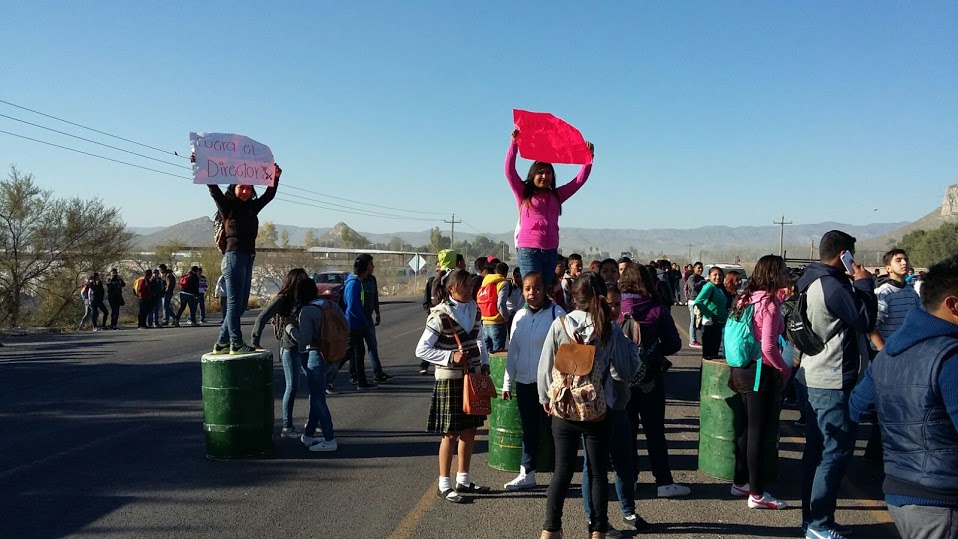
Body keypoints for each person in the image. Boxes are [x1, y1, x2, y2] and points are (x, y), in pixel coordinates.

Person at [849, 254, 958, 539]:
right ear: (953, 305)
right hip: (943, 500)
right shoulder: (951, 357)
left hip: (902, 491)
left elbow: (857, 406)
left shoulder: (892, 353)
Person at [538, 273, 639, 539]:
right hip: (596, 409)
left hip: (563, 407)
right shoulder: (609, 328)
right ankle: (597, 531)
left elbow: (545, 367)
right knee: (597, 472)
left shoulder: (559, 325)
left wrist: (546, 399)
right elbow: (623, 372)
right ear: (600, 298)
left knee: (562, 471)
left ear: (574, 297)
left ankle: (551, 529)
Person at [797, 230, 877, 539]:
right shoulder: (832, 285)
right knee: (834, 454)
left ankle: (812, 520)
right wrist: (865, 284)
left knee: (816, 453)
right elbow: (865, 320)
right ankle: (819, 524)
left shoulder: (809, 280)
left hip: (811, 373)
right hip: (831, 380)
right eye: (851, 255)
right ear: (844, 254)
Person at [415, 269, 492, 504]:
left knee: (470, 431)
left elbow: (479, 339)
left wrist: (485, 363)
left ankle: (464, 479)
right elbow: (421, 350)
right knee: (450, 433)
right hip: (449, 379)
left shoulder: (474, 310)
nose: (470, 290)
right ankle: (444, 484)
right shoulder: (439, 315)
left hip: (472, 378)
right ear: (451, 289)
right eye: (465, 286)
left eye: (471, 285)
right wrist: (449, 358)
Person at [580, 283, 650, 533]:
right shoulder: (605, 332)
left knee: (621, 463)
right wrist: (632, 349)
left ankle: (626, 513)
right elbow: (627, 370)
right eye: (609, 304)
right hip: (601, 408)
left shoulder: (616, 330)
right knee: (595, 467)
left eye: (617, 304)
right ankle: (596, 519)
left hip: (613, 407)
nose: (613, 309)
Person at [727, 255, 792, 510]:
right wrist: (784, 369)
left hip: (739, 369)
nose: (787, 276)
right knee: (758, 432)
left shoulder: (745, 298)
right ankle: (756, 493)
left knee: (746, 428)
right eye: (784, 272)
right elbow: (767, 346)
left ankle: (740, 481)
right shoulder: (770, 304)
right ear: (774, 274)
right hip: (757, 373)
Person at [621, 265, 689, 499]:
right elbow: (673, 344)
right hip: (650, 379)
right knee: (655, 432)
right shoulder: (656, 310)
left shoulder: (615, 308)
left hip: (621, 382)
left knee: (626, 433)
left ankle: (629, 480)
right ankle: (663, 482)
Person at [506, 128, 594, 290]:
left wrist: (588, 159)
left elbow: (578, 181)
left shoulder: (557, 196)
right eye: (540, 172)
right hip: (529, 250)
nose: (545, 176)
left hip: (551, 251)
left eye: (548, 173)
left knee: (544, 291)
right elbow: (510, 171)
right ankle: (526, 315)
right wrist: (514, 145)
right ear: (532, 175)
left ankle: (544, 316)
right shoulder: (523, 193)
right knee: (532, 290)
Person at [207, 164, 281, 355]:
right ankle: (236, 342)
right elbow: (214, 190)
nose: (246, 191)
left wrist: (276, 177)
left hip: (248, 258)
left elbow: (268, 196)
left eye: (249, 188)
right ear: (234, 188)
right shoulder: (228, 206)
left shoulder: (251, 208)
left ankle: (222, 343)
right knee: (233, 303)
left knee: (240, 305)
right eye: (242, 188)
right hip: (233, 258)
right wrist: (200, 163)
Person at [502, 272, 565, 491]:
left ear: (545, 289)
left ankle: (558, 476)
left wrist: (560, 384)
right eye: (527, 288)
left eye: (537, 288)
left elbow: (565, 352)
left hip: (550, 386)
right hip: (525, 383)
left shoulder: (557, 314)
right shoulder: (519, 316)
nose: (532, 293)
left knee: (553, 430)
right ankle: (526, 473)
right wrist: (507, 383)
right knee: (528, 430)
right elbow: (513, 352)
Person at [251, 268, 311, 439]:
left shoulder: (306, 297)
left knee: (315, 384)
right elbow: (261, 317)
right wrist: (255, 342)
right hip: (290, 347)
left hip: (306, 346)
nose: (303, 281)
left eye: (305, 278)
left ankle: (314, 421)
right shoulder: (283, 299)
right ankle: (287, 427)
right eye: (300, 279)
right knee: (292, 387)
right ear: (292, 281)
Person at [287, 277, 341, 452]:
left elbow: (303, 342)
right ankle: (309, 435)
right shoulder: (331, 305)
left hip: (316, 356)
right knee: (317, 398)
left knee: (318, 399)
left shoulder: (308, 311)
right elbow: (345, 325)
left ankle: (329, 438)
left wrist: (290, 329)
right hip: (334, 355)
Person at [869, 249, 921, 352]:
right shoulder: (883, 293)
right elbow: (871, 327)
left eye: (906, 260)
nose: (904, 263)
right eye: (898, 260)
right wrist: (884, 351)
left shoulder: (912, 292)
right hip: (886, 353)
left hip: (906, 350)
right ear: (888, 268)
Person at [341, 254, 378, 389]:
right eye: (370, 265)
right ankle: (328, 378)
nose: (372, 268)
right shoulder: (353, 284)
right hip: (352, 325)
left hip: (358, 325)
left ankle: (361, 382)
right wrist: (364, 321)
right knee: (346, 354)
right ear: (364, 267)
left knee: (358, 352)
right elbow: (352, 308)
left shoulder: (360, 282)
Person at [361, 255, 393, 383]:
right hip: (357, 320)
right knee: (354, 350)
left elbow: (375, 297)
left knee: (372, 347)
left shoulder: (372, 280)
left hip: (368, 319)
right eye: (370, 265)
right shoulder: (358, 281)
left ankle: (377, 373)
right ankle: (353, 374)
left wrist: (378, 313)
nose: (373, 267)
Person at [693, 266, 728, 360]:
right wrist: (711, 315)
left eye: (720, 275)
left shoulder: (719, 288)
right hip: (709, 324)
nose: (718, 277)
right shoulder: (709, 286)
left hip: (718, 324)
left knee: (714, 354)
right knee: (708, 356)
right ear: (709, 276)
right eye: (715, 275)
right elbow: (698, 301)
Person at [478, 261, 510, 353]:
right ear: (505, 273)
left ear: (495, 271)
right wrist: (506, 317)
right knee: (497, 355)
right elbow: (500, 303)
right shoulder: (503, 283)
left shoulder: (486, 282)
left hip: (485, 322)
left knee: (487, 354)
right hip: (497, 323)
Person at [685, 263, 706, 348]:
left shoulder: (701, 278)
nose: (700, 269)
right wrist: (703, 282)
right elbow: (693, 287)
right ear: (694, 268)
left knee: (700, 321)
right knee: (693, 321)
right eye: (698, 268)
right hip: (693, 302)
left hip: (701, 302)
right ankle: (692, 341)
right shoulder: (692, 278)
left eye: (701, 268)